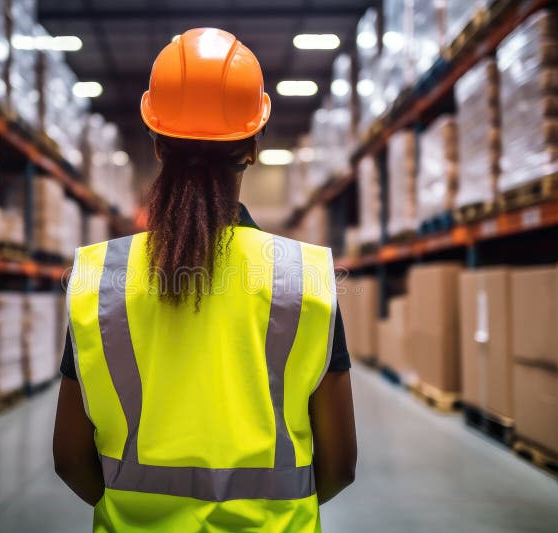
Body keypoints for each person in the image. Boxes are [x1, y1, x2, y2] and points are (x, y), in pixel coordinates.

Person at [53, 28, 357, 532]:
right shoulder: (303, 279)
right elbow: (340, 466)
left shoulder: (100, 279)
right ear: (254, 145)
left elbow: (70, 459)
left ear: (156, 144)